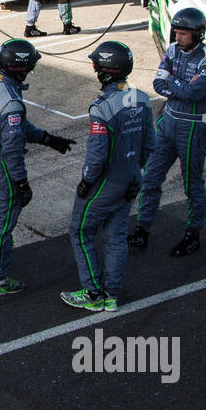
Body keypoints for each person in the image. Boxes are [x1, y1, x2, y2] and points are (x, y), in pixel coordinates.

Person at [0, 39, 74, 296]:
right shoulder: (12, 104)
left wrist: (48, 139)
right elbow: (11, 148)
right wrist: (21, 183)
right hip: (3, 172)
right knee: (2, 226)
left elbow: (6, 129)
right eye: (29, 66)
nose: (31, 70)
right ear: (19, 67)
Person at [62, 41, 154, 312]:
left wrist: (86, 182)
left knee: (80, 231)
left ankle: (92, 293)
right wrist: (136, 175)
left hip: (105, 183)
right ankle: (111, 295)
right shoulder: (143, 98)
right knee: (115, 237)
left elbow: (97, 155)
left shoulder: (101, 108)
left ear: (103, 70)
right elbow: (150, 144)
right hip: (130, 180)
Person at [128, 7, 206, 257]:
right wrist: (178, 85)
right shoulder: (171, 51)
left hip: (193, 128)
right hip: (167, 124)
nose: (177, 38)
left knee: (192, 184)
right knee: (150, 178)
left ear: (197, 34)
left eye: (183, 34)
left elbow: (194, 94)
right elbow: (158, 84)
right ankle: (142, 229)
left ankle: (193, 234)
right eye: (176, 33)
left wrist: (173, 84)